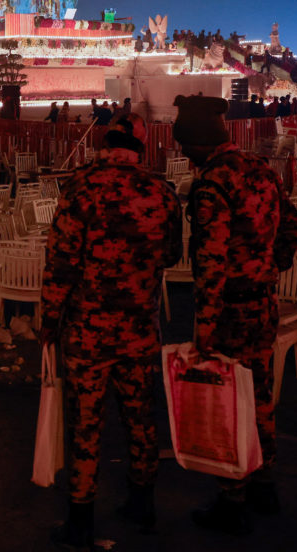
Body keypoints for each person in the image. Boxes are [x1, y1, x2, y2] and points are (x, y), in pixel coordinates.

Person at [40, 114, 183, 547]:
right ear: (139, 150)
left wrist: (49, 321)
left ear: (104, 146)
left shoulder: (80, 188)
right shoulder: (162, 192)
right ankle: (143, 503)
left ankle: (81, 519)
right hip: (140, 328)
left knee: (85, 424)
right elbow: (172, 255)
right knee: (141, 417)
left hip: (88, 331)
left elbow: (60, 264)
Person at [172, 95, 297, 535]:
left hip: (229, 309)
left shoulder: (213, 184)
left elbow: (211, 263)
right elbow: (294, 226)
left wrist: (205, 329)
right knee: (259, 394)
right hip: (263, 301)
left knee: (227, 399)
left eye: (185, 146)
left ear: (198, 143)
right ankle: (265, 483)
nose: (184, 154)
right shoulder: (260, 169)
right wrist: (270, 266)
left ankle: (232, 499)